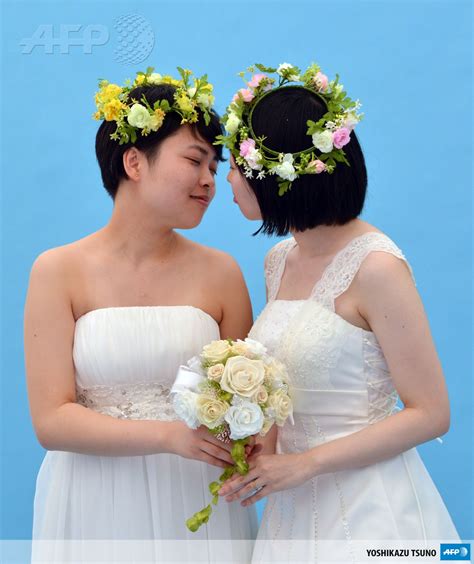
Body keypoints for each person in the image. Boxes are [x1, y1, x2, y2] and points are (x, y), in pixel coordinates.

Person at [217, 62, 459, 562]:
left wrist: (307, 463)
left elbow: (431, 414)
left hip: (371, 507)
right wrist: (264, 443)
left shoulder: (377, 268)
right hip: (292, 508)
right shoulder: (279, 259)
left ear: (279, 175)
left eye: (236, 165)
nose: (228, 180)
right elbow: (287, 378)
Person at [25, 67, 257, 562]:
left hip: (199, 495)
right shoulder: (58, 270)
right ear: (134, 161)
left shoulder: (222, 273)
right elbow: (52, 420)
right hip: (94, 496)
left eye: (215, 169)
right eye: (195, 160)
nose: (208, 181)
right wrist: (169, 436)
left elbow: (250, 402)